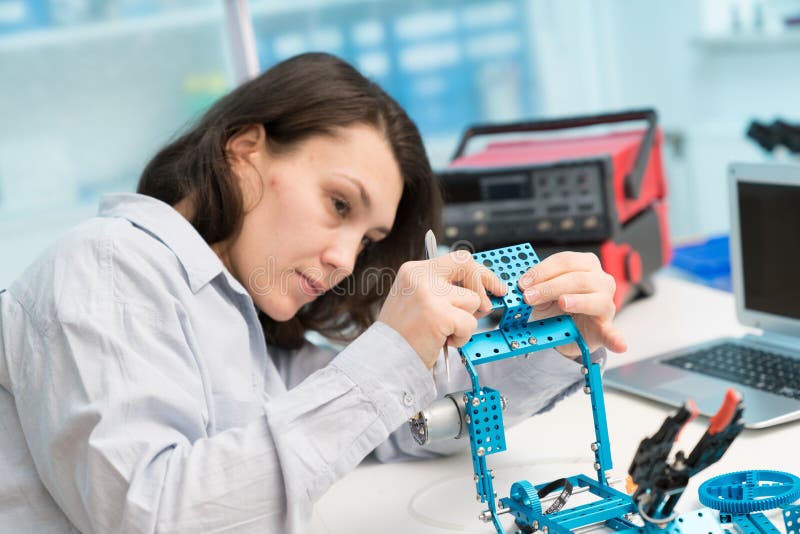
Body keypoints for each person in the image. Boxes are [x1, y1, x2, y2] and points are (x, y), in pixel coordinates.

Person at [0, 52, 626, 533]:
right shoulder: (109, 267)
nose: (343, 259)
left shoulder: (240, 313)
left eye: (368, 237)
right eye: (338, 203)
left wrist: (555, 346)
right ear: (244, 148)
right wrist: (391, 353)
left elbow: (406, 424)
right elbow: (156, 514)